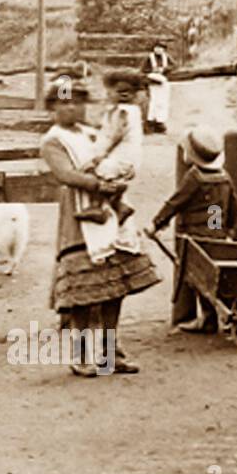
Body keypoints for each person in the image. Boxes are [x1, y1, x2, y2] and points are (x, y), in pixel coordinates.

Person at [40, 81, 161, 376]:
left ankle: (110, 353)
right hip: (80, 217)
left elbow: (116, 151)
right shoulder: (52, 141)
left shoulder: (91, 133)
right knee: (85, 289)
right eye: (64, 103)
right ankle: (81, 354)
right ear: (52, 108)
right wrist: (97, 183)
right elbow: (65, 174)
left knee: (113, 287)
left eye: (78, 102)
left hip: (109, 213)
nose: (72, 108)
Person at [143, 126, 237, 333]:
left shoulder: (195, 177)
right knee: (214, 275)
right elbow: (231, 206)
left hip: (195, 235)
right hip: (216, 233)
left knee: (199, 278)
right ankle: (214, 315)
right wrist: (229, 230)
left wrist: (156, 223)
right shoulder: (223, 176)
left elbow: (176, 202)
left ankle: (208, 318)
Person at [76, 70, 146, 227]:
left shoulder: (123, 111)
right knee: (106, 176)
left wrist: (100, 155)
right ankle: (120, 205)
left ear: (123, 94)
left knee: (90, 170)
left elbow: (115, 135)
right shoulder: (133, 111)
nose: (106, 95)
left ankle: (97, 207)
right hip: (129, 158)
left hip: (121, 157)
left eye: (109, 92)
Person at [141, 42, 172, 133]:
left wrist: (164, 69)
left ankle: (160, 123)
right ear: (154, 49)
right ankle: (149, 123)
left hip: (163, 82)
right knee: (152, 102)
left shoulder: (166, 57)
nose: (158, 50)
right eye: (157, 48)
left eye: (161, 48)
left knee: (162, 102)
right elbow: (143, 70)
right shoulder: (149, 57)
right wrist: (152, 71)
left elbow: (174, 65)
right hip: (152, 82)